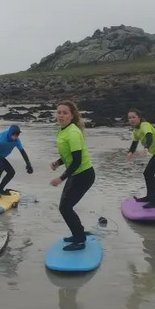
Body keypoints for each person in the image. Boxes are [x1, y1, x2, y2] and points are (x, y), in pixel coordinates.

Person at [50, 101, 95, 251]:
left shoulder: (73, 133)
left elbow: (77, 161)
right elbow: (69, 155)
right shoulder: (64, 130)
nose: (61, 115)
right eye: (59, 112)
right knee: (65, 207)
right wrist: (58, 162)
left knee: (66, 208)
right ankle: (78, 234)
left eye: (65, 113)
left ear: (72, 115)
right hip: (76, 174)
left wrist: (61, 178)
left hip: (84, 175)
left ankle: (80, 240)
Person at [125, 108, 155, 208]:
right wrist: (130, 153)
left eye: (133, 117)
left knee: (149, 173)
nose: (131, 119)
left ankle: (153, 202)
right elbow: (134, 143)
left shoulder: (144, 125)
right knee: (148, 173)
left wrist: (146, 147)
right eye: (129, 118)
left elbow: (149, 136)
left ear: (139, 117)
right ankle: (149, 197)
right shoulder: (135, 130)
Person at [0, 125, 33, 197]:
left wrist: (28, 164)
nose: (16, 136)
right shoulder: (2, 139)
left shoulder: (16, 141)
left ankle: (0, 189)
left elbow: (22, 151)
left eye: (17, 134)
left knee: (11, 172)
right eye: (14, 134)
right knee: (0, 167)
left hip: (1, 157)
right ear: (10, 133)